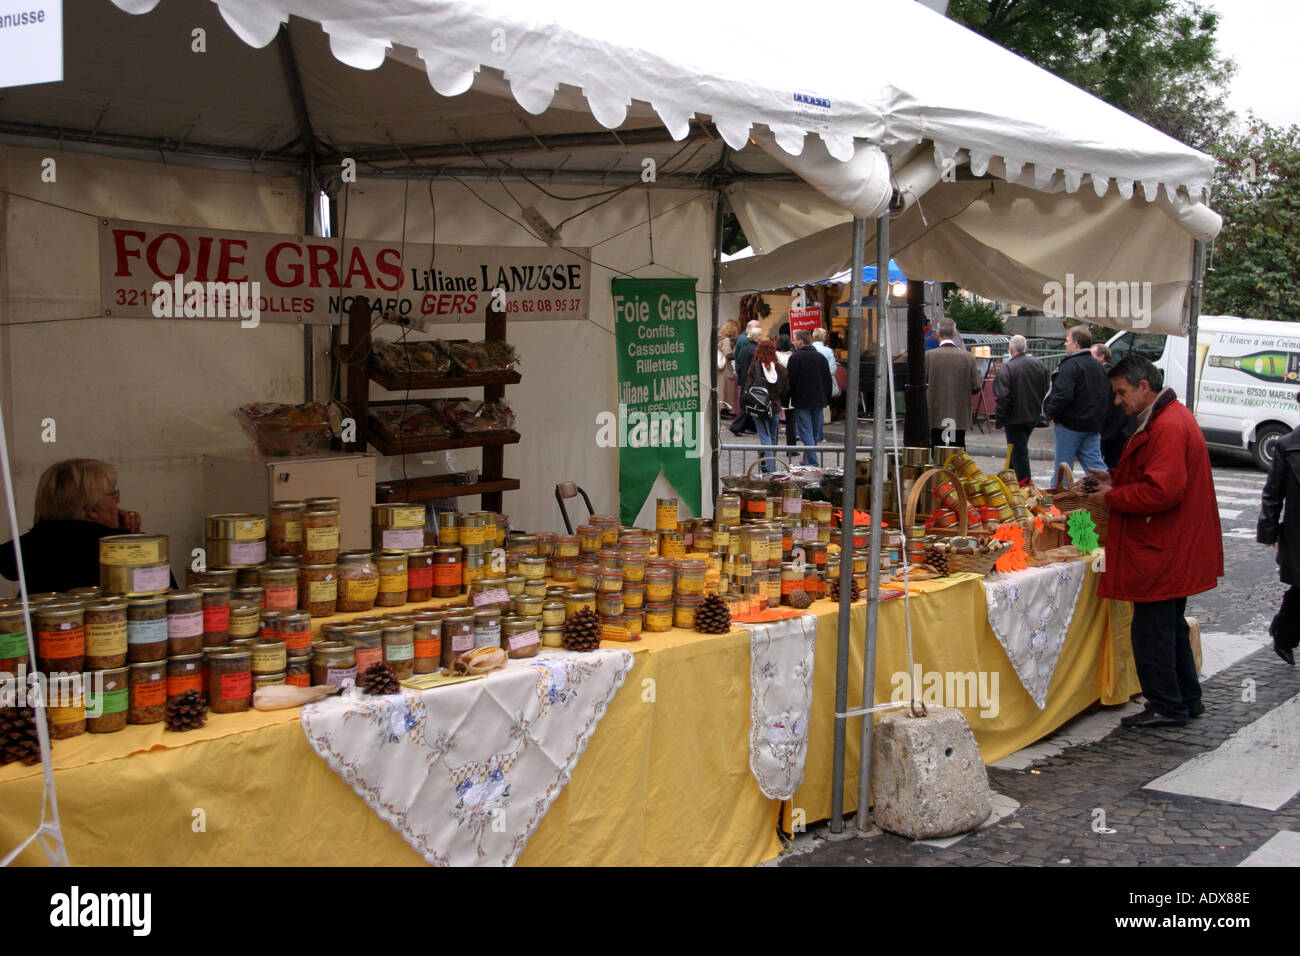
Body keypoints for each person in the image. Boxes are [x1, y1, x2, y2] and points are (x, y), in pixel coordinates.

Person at [1088, 355, 1222, 727]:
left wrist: (1111, 497)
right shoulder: (1171, 417)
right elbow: (1156, 476)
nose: (1117, 401)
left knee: (1152, 630)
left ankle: (1168, 705)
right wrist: (1118, 477)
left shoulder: (1168, 425)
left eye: (1121, 392)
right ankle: (1186, 699)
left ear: (1144, 388)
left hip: (1163, 546)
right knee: (1169, 626)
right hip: (1171, 543)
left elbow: (1163, 490)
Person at [0, 458, 149, 594]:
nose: (117, 501)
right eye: (113, 494)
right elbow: (164, 597)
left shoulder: (30, 546)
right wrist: (134, 539)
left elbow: (8, 564)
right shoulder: (115, 548)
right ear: (91, 510)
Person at [1255, 392, 1300, 666]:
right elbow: (1273, 492)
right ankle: (1283, 632)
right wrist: (1269, 531)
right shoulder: (1287, 446)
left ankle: (1283, 632)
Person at [1043, 326, 1110, 475]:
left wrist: (1051, 413)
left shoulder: (1070, 364)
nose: (1066, 344)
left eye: (1068, 341)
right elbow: (1105, 394)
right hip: (1092, 424)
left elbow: (1063, 394)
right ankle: (1107, 492)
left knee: (1063, 470)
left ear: (1076, 343)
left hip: (1070, 424)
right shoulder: (1098, 366)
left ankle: (1060, 497)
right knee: (1095, 467)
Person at [993, 334, 1049, 483]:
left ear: (1011, 349)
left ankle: (1024, 483)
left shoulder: (1008, 367)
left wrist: (999, 418)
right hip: (1032, 414)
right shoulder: (1038, 364)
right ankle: (1010, 479)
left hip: (1014, 417)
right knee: (1017, 448)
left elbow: (1002, 396)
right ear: (1026, 348)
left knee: (1018, 451)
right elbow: (1045, 387)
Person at [925, 318, 981, 449]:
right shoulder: (968, 358)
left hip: (936, 412)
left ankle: (940, 468)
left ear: (937, 333)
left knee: (937, 447)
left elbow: (923, 383)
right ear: (954, 334)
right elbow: (975, 387)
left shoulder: (929, 356)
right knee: (957, 449)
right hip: (958, 413)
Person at [742, 339, 790, 473]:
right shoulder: (781, 369)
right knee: (773, 436)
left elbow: (748, 386)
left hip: (758, 406)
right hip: (775, 406)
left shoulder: (755, 366)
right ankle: (771, 464)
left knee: (765, 437)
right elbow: (785, 389)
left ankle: (769, 469)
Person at [787, 330, 832, 466]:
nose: (793, 342)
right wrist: (826, 399)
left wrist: (787, 398)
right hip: (818, 400)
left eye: (794, 340)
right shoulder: (820, 357)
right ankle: (808, 460)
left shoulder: (795, 358)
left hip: (802, 400)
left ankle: (812, 463)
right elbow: (827, 380)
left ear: (801, 341)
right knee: (812, 433)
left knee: (806, 432)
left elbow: (791, 381)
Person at [1091, 343, 1137, 469]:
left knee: (1111, 463)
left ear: (1101, 357)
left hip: (1113, 429)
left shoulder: (1104, 375)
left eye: (1091, 355)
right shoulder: (1113, 375)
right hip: (1120, 428)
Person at [728, 323, 762, 436]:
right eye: (761, 335)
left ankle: (747, 426)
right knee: (749, 403)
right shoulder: (755, 349)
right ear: (757, 336)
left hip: (744, 378)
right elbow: (754, 367)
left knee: (747, 403)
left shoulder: (746, 348)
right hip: (751, 380)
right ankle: (736, 426)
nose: (762, 337)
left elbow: (741, 363)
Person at [717, 319, 739, 418]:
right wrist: (736, 354)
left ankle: (720, 408)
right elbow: (728, 353)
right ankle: (724, 410)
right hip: (725, 368)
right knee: (726, 389)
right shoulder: (726, 340)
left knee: (721, 389)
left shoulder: (719, 338)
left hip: (719, 368)